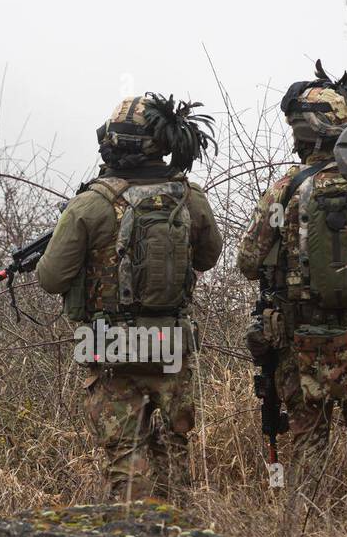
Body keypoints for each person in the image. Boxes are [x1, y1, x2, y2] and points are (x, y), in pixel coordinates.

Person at [237, 65, 347, 500]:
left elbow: (247, 262)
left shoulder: (283, 191)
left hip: (306, 336)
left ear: (301, 135)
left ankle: (308, 531)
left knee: (309, 435)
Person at [37, 95, 222, 502]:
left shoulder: (91, 204)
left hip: (109, 346)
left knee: (124, 454)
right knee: (176, 449)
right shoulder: (189, 197)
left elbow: (50, 278)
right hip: (171, 343)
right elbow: (209, 256)